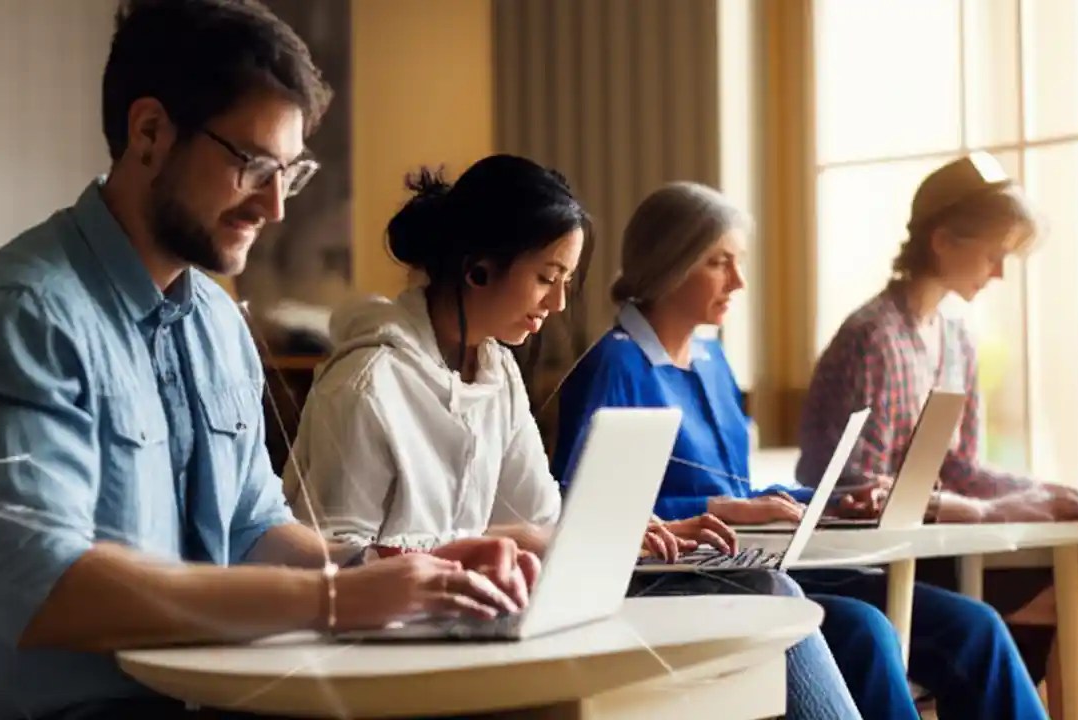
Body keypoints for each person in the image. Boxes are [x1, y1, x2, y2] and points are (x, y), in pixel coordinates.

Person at [0, 3, 534, 719]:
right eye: (253, 165)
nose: (276, 205)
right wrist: (332, 600)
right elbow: (46, 587)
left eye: (291, 172)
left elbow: (253, 530)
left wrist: (405, 568)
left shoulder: (218, 323)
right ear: (149, 133)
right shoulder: (22, 318)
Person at [285, 155, 865, 720]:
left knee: (764, 588)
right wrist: (490, 550)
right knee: (764, 598)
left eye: (563, 281)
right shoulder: (367, 384)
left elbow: (537, 516)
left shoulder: (494, 370)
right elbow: (337, 560)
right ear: (478, 267)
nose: (557, 304)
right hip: (406, 646)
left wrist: (625, 529)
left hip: (496, 614)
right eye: (546, 278)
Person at [552, 181, 1048, 720]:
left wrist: (835, 499)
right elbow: (585, 515)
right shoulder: (614, 368)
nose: (738, 281)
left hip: (750, 563)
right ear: (670, 264)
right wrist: (716, 511)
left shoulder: (712, 362)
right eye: (719, 263)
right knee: (865, 628)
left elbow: (742, 495)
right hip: (680, 584)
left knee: (972, 624)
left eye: (737, 262)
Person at [796, 151, 1078, 718]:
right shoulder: (874, 338)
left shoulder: (957, 340)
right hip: (874, 560)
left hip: (936, 547)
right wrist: (992, 511)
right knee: (1075, 597)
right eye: (993, 254)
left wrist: (1043, 496)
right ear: (942, 241)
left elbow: (962, 467)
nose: (998, 272)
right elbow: (857, 488)